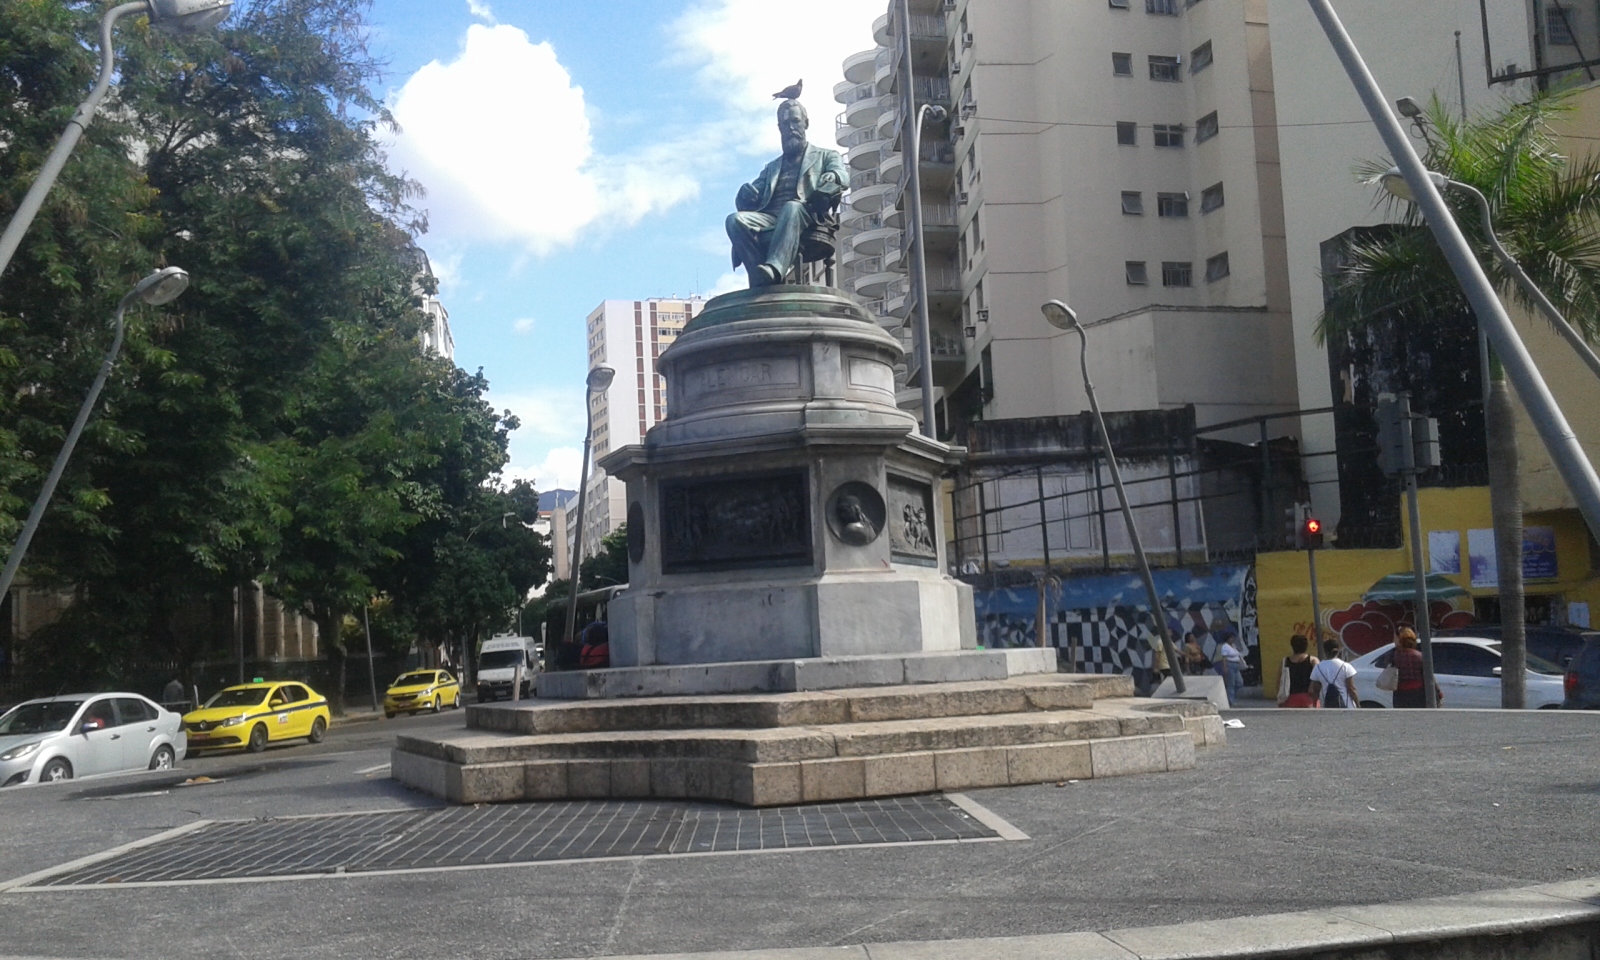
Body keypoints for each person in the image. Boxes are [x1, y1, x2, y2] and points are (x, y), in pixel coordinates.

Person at [726, 100, 848, 286]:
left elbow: (842, 176)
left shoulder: (826, 156)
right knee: (734, 220)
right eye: (785, 124)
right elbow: (754, 194)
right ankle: (758, 276)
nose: (791, 128)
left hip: (808, 214)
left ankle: (774, 270)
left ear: (806, 123)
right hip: (771, 217)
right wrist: (745, 194)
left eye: (795, 121)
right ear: (779, 128)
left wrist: (832, 175)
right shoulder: (772, 168)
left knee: (792, 207)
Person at [1390, 627, 1442, 708]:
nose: (1393, 641)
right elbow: (1429, 677)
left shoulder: (1394, 656)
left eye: (1395, 638)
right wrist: (1438, 692)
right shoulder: (1419, 656)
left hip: (1400, 694)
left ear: (1400, 640)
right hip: (1418, 693)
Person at [1308, 638, 1359, 709]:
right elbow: (1351, 689)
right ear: (1338, 651)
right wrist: (1358, 705)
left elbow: (1315, 691)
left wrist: (1315, 705)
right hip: (1347, 707)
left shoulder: (1318, 668)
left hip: (1327, 707)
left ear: (1325, 651)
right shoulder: (1345, 666)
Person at [1277, 635, 1319, 708]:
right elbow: (1319, 679)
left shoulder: (1285, 661)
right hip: (1309, 699)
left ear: (1292, 646)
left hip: (1289, 699)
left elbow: (1279, 682)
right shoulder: (1313, 660)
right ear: (1306, 646)